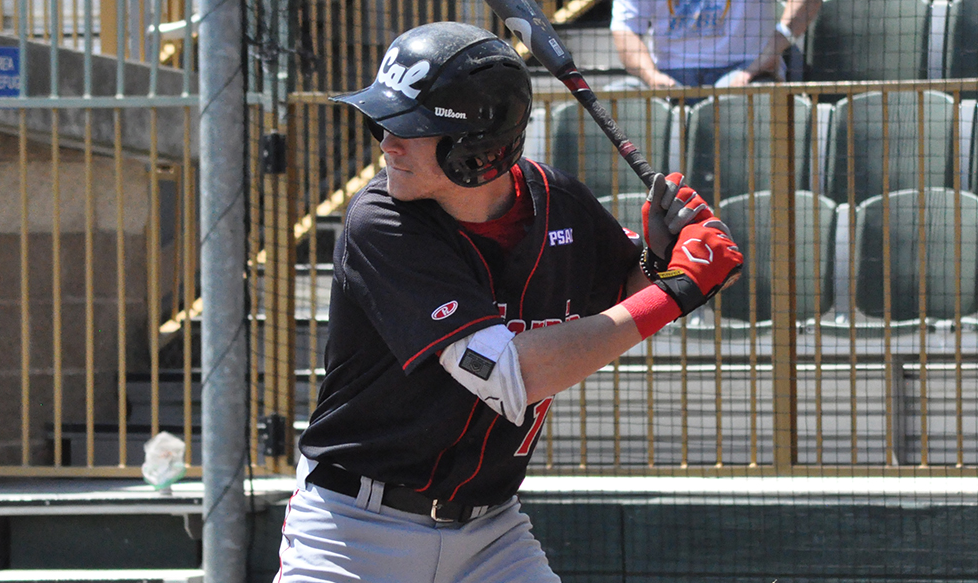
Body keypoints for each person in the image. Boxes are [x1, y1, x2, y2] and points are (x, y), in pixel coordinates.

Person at [272, 21, 742, 583]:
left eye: (408, 126)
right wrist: (678, 290)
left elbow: (628, 302)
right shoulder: (381, 222)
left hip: (491, 534)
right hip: (354, 532)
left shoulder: (559, 201)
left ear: (478, 149)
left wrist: (661, 259)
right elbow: (510, 373)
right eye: (381, 121)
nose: (385, 143)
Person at [611, 0, 822, 88]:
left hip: (745, 72)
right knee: (618, 94)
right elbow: (625, 29)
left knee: (756, 95)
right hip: (668, 77)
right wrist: (651, 76)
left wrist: (772, 50)